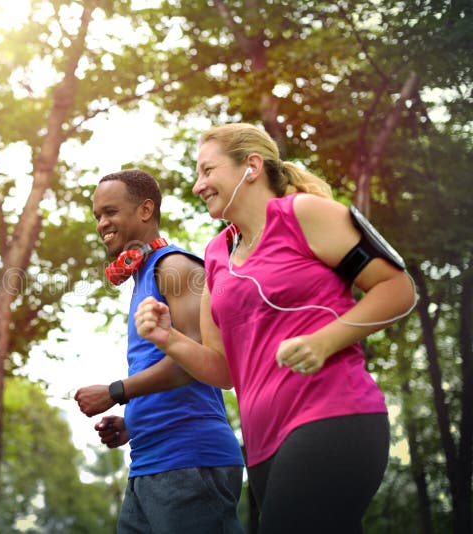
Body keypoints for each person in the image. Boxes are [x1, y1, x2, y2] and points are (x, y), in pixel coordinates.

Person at [135, 123, 416, 534]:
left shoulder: (304, 214)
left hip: (334, 416)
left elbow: (398, 288)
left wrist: (324, 341)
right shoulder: (217, 255)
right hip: (264, 447)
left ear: (251, 166)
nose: (199, 185)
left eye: (208, 171)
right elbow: (224, 370)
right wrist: (169, 339)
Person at [74, 169, 245, 534]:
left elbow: (198, 362)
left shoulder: (175, 267)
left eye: (110, 212)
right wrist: (132, 423)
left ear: (146, 210)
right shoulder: (145, 276)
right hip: (149, 464)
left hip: (189, 461)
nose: (102, 223)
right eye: (97, 216)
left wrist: (114, 392)